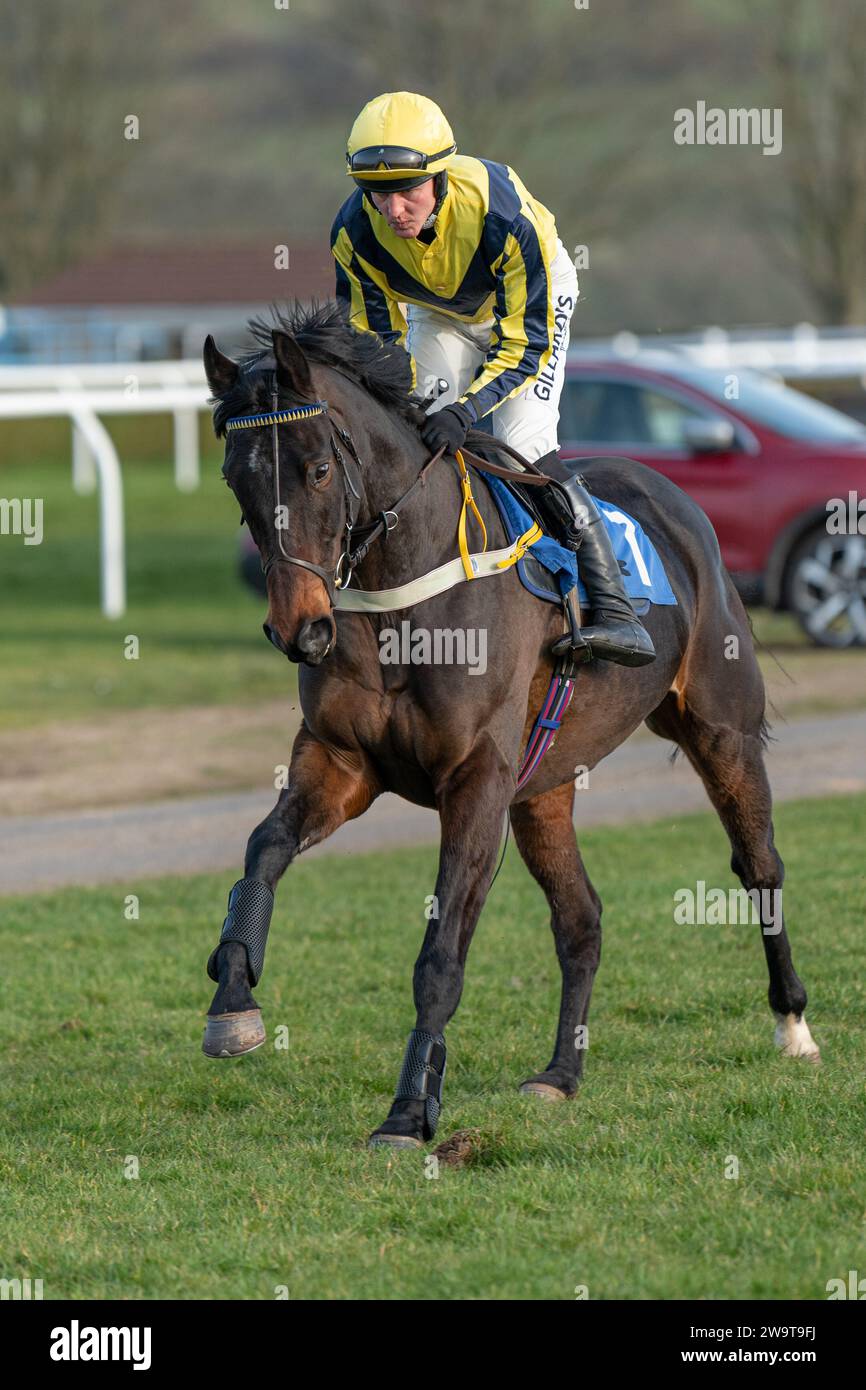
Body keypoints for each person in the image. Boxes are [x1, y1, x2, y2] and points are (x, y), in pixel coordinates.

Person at [330, 91, 655, 666]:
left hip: (532, 303)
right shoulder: (354, 235)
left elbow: (523, 345)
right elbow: (373, 344)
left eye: (409, 190)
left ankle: (618, 610)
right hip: (443, 311)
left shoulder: (500, 215)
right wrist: (416, 406)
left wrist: (466, 409)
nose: (394, 208)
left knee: (521, 443)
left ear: (441, 177)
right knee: (416, 431)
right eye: (379, 193)